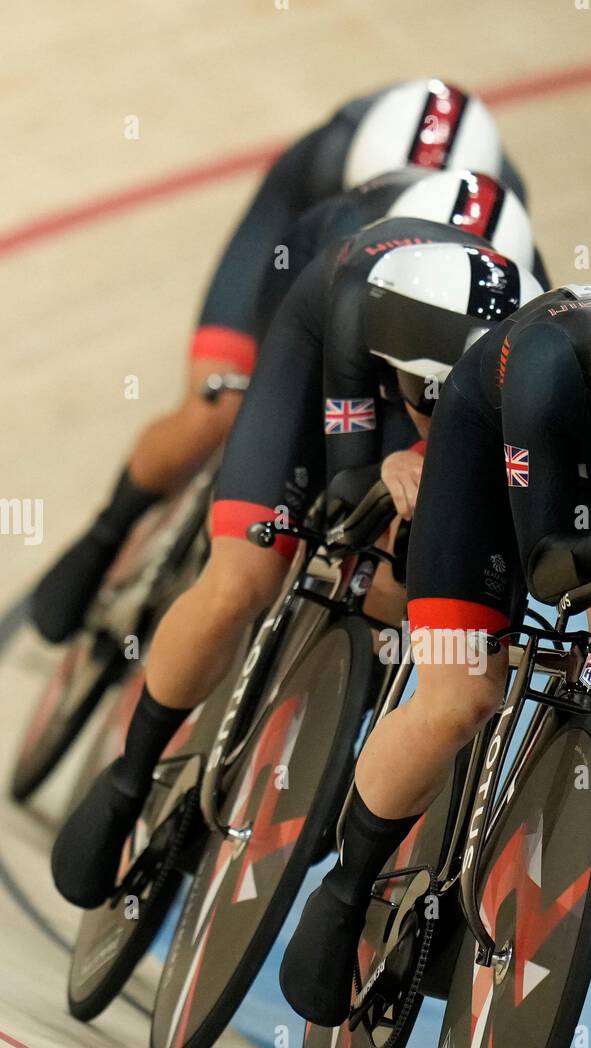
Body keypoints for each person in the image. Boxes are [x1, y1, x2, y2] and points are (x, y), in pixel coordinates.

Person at [278, 279, 591, 1027]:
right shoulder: (546, 368)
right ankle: (346, 889)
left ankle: (578, 860)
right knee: (465, 697)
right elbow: (547, 567)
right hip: (492, 449)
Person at [50, 232, 543, 909]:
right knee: (239, 585)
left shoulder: (526, 342)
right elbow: (349, 480)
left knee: (409, 552)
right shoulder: (358, 299)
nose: (430, 408)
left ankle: (345, 709)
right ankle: (130, 778)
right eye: (420, 392)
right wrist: (373, 472)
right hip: (323, 355)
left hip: (452, 393)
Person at [31, 79, 530, 643]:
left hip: (413, 318)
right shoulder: (332, 171)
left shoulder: (508, 231)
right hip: (314, 264)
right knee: (216, 407)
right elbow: (290, 318)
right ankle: (108, 530)